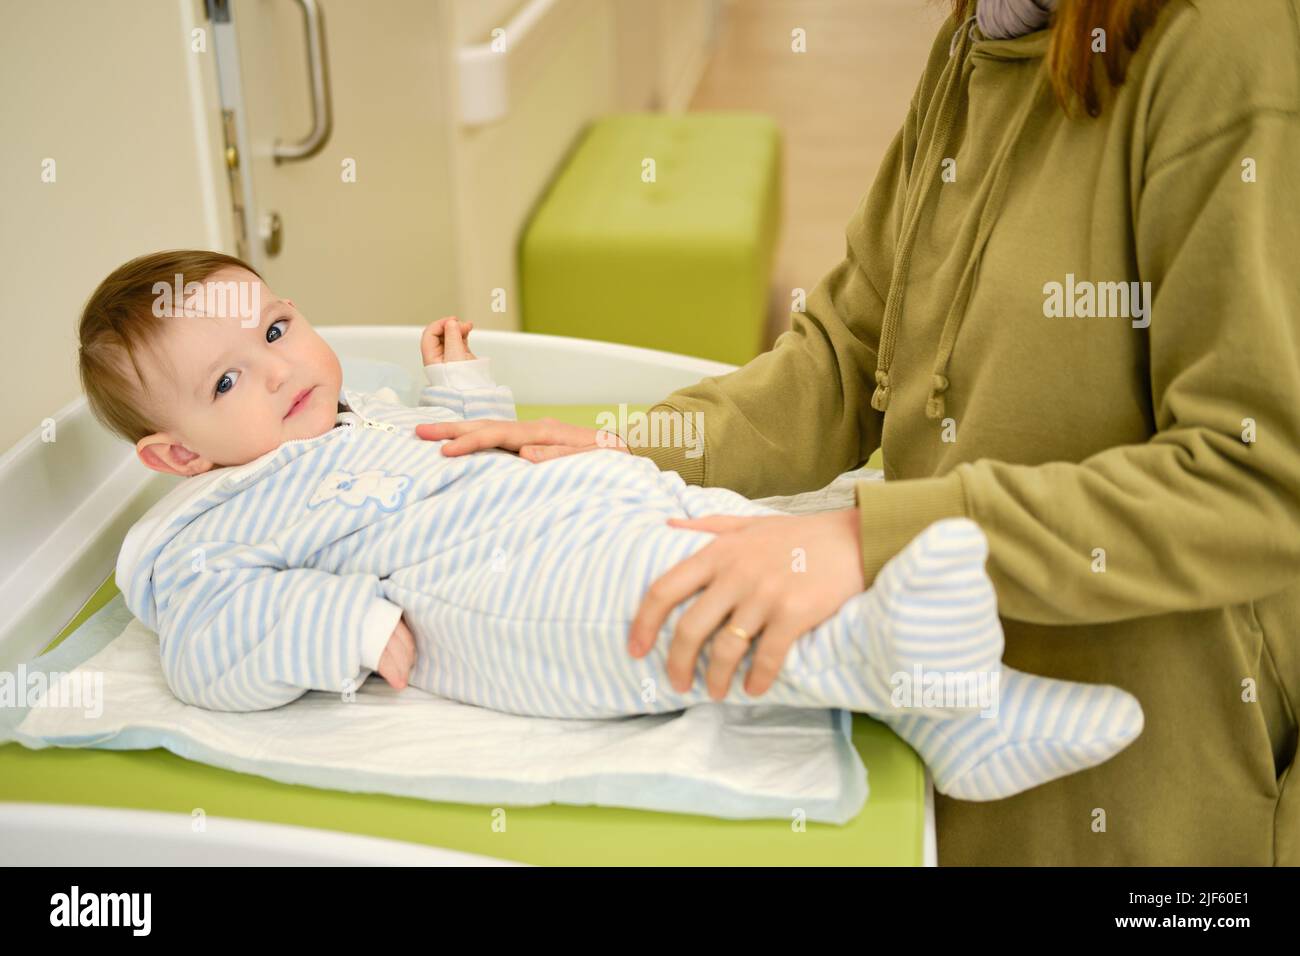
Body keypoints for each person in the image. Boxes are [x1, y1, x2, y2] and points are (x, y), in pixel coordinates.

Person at [416, 0, 1300, 865]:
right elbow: (849, 350)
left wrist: (871, 541)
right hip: (943, 694)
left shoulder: (1223, 51)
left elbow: (1256, 480)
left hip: (1152, 767)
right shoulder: (983, 34)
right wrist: (635, 447)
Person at [79, 253, 1143, 805]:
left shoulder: (367, 411)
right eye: (228, 377)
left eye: (274, 328)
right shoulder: (202, 528)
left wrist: (459, 388)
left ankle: (931, 669)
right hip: (504, 596)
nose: (279, 367)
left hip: (583, 505)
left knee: (725, 533)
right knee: (675, 604)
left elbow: (463, 445)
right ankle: (923, 682)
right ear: (176, 454)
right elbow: (210, 646)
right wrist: (341, 621)